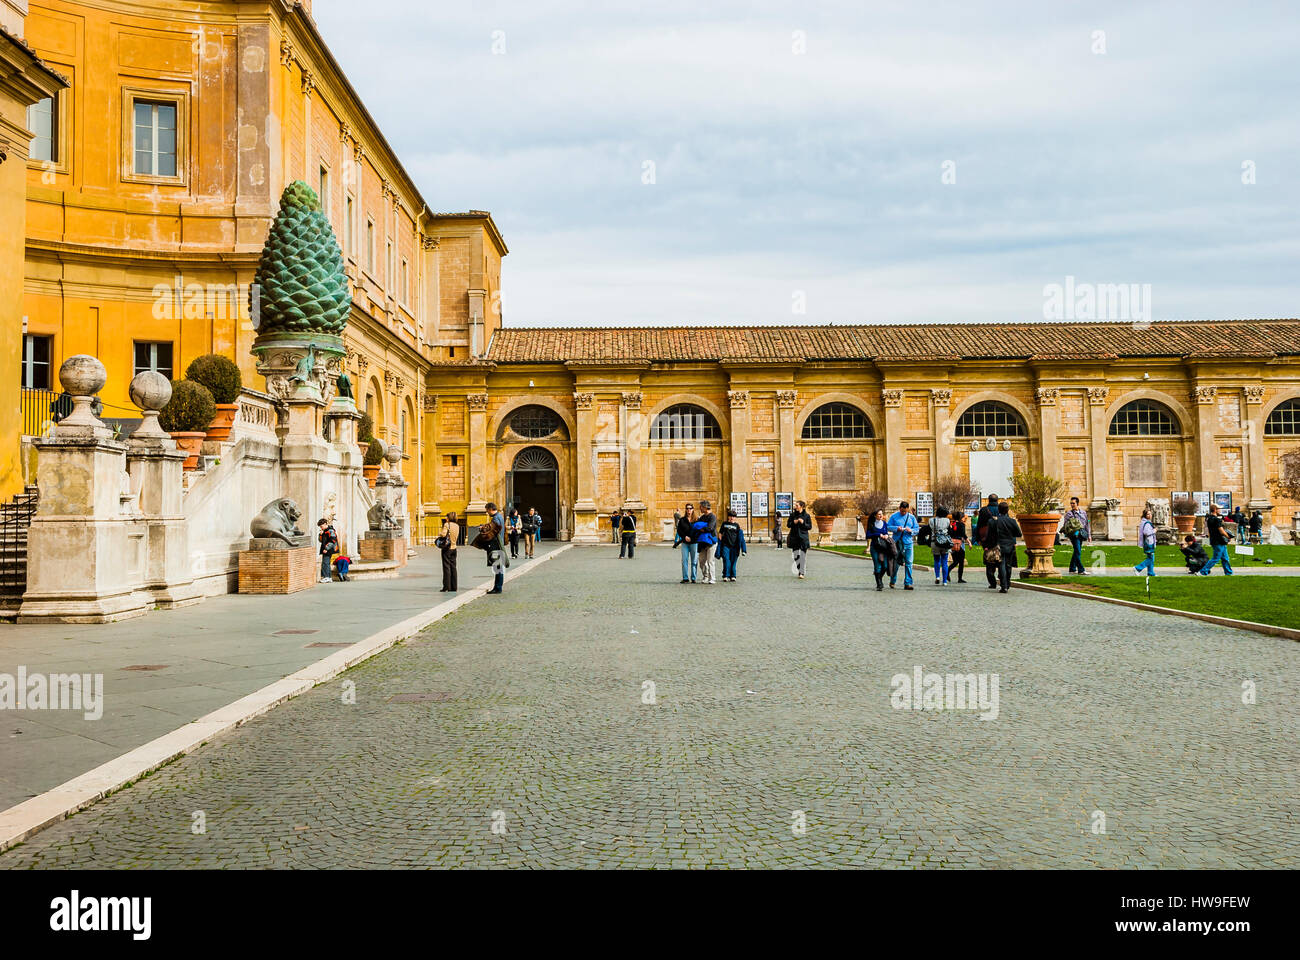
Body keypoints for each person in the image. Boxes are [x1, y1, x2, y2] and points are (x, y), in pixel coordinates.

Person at [887, 500, 920, 590]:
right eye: (902, 511)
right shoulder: (894, 516)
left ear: (908, 509)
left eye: (905, 511)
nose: (903, 513)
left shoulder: (912, 517)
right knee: (896, 563)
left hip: (908, 543)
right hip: (897, 542)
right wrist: (896, 528)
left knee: (909, 563)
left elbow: (917, 529)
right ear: (899, 509)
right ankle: (893, 580)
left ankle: (908, 583)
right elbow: (888, 526)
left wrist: (911, 531)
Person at [993, 502, 1022, 592]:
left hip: (999, 545)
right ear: (1007, 510)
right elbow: (1018, 533)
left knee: (1001, 565)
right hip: (1009, 545)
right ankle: (1007, 583)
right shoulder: (1012, 521)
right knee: (1008, 565)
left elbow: (992, 534)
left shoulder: (996, 521)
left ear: (999, 510)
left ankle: (1004, 585)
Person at [975, 494, 1001, 590]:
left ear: (989, 500)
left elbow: (979, 525)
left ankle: (992, 582)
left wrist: (977, 538)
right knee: (1000, 558)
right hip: (1000, 538)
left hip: (987, 538)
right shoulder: (1001, 509)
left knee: (989, 559)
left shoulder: (984, 510)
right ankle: (1001, 575)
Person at [1060, 496, 1091, 575]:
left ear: (1077, 503)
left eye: (1073, 503)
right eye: (1071, 503)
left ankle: (1072, 569)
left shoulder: (1083, 513)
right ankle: (1081, 570)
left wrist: (1089, 535)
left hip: (1082, 534)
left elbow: (1087, 524)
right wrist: (1067, 535)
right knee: (1077, 551)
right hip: (1074, 535)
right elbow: (1065, 525)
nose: (1072, 505)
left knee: (1077, 551)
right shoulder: (1069, 514)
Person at [863, 508, 893, 591]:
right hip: (875, 547)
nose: (881, 515)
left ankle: (879, 577)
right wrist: (878, 534)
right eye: (879, 514)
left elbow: (886, 532)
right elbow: (868, 535)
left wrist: (886, 535)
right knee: (878, 566)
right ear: (875, 515)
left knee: (885, 566)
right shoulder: (872, 524)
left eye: (881, 514)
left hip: (884, 547)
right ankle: (879, 583)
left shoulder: (884, 523)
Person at [1201, 502, 1234, 576]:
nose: (1220, 510)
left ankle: (1228, 572)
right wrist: (1228, 536)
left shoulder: (1209, 519)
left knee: (1225, 558)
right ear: (1215, 510)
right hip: (1219, 541)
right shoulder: (1217, 520)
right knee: (1216, 558)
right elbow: (1221, 531)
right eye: (1219, 509)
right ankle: (1203, 571)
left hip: (1215, 540)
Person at [717, 508, 748, 581]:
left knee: (733, 562)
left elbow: (740, 537)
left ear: (735, 518)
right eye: (730, 516)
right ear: (728, 517)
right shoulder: (724, 524)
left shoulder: (737, 525)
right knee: (726, 560)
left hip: (734, 546)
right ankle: (725, 575)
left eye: (733, 516)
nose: (732, 518)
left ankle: (733, 575)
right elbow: (720, 533)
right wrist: (720, 540)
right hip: (726, 545)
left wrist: (742, 549)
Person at [786, 500, 812, 579]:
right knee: (796, 556)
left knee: (803, 556)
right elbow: (788, 525)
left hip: (803, 538)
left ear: (801, 506)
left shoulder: (807, 516)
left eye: (797, 505)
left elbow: (809, 527)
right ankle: (800, 568)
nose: (795, 507)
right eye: (795, 505)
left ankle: (802, 572)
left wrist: (803, 522)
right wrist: (794, 522)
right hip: (794, 537)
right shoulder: (792, 515)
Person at [695, 500, 719, 584]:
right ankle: (705, 576)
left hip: (711, 541)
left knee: (710, 561)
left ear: (705, 507)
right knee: (701, 561)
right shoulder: (702, 517)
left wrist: (702, 528)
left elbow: (710, 527)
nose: (700, 508)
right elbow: (696, 526)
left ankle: (712, 578)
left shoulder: (712, 516)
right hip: (702, 541)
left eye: (701, 507)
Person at [931, 505, 953, 586]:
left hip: (935, 541)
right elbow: (949, 531)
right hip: (945, 542)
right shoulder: (947, 520)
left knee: (936, 560)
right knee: (944, 561)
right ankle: (944, 581)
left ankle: (937, 576)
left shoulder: (931, 520)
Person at [677, 503, 698, 583]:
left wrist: (692, 538)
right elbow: (679, 530)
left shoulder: (696, 520)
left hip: (694, 542)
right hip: (685, 543)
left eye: (690, 508)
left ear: (693, 509)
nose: (689, 510)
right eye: (687, 508)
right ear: (685, 510)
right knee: (684, 560)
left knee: (694, 561)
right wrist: (684, 536)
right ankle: (685, 577)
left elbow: (698, 531)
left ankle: (693, 577)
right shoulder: (682, 520)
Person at [439, 511, 459, 592]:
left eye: (446, 517)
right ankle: (454, 587)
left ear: (449, 517)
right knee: (453, 567)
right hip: (454, 548)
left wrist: (439, 533)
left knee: (446, 567)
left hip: (447, 548)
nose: (445, 518)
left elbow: (443, 534)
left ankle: (447, 586)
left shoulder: (447, 524)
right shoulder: (457, 525)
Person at [1133, 508, 1157, 576]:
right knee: (1150, 559)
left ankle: (1150, 573)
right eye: (1148, 514)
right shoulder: (1147, 523)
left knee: (1151, 558)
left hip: (1148, 542)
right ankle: (1137, 568)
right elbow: (1146, 532)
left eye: (1150, 514)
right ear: (1145, 515)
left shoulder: (1144, 522)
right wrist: (1154, 531)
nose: (1150, 515)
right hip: (1149, 543)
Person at [486, 502, 508, 569]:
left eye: (487, 511)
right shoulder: (499, 516)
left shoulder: (495, 518)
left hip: (497, 543)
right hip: (500, 541)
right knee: (499, 563)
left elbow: (495, 530)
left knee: (498, 565)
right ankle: (498, 579)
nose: (487, 513)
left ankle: (499, 579)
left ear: (490, 509)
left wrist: (486, 530)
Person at [317, 518, 338, 584]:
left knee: (325, 563)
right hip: (326, 549)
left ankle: (326, 577)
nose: (321, 528)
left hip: (329, 549)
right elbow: (320, 541)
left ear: (325, 524)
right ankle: (329, 577)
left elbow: (333, 540)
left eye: (321, 526)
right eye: (320, 527)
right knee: (326, 563)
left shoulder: (330, 530)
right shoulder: (325, 531)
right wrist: (320, 534)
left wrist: (326, 548)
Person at [949, 510, 968, 584]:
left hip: (953, 544)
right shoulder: (961, 524)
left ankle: (947, 572)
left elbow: (950, 533)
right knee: (961, 562)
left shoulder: (952, 524)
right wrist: (969, 542)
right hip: (960, 543)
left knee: (955, 561)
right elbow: (963, 534)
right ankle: (960, 578)